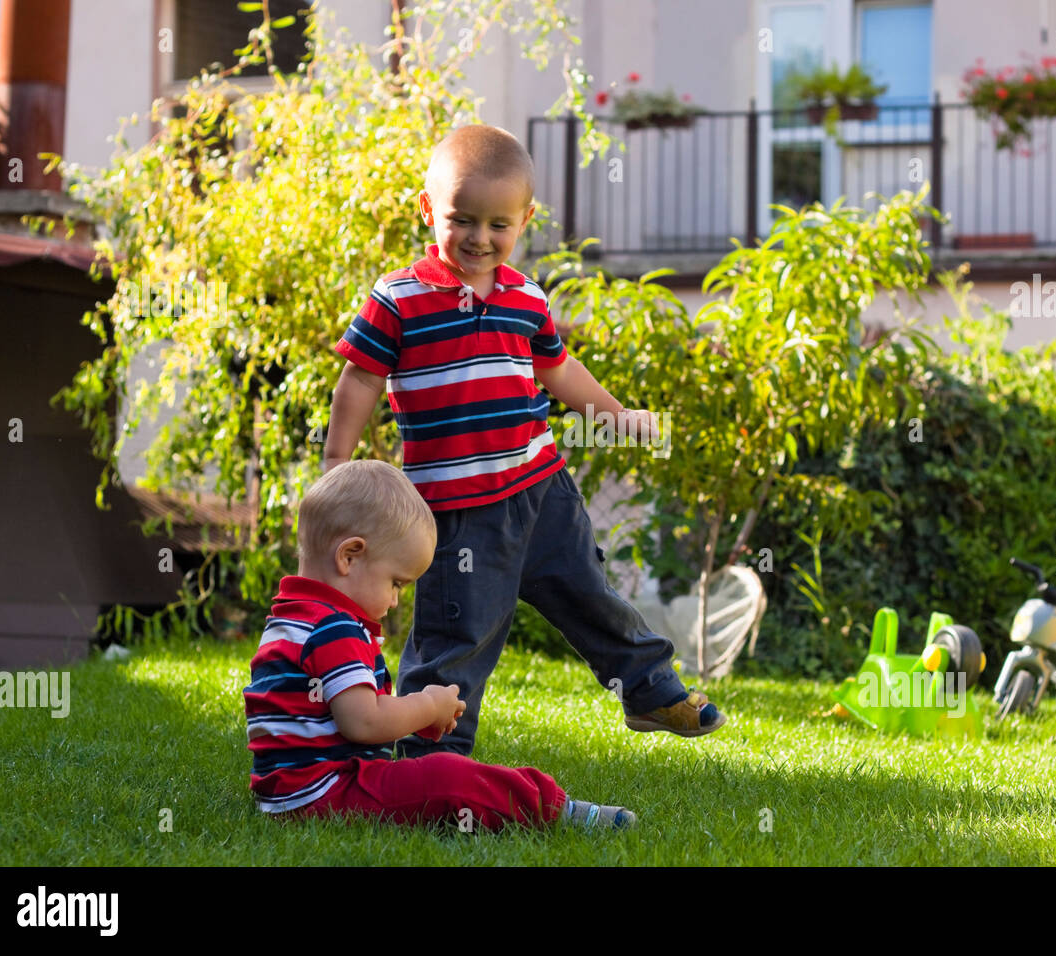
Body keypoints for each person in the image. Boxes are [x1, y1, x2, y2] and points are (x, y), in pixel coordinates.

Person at [323, 123, 726, 758]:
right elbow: (361, 377)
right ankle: (433, 761)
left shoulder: (526, 297)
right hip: (456, 512)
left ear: (524, 220)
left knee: (591, 593)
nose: (479, 238)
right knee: (459, 632)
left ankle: (649, 689)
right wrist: (336, 459)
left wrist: (616, 413)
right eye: (462, 220)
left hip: (542, 491)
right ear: (429, 209)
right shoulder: (399, 298)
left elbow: (558, 369)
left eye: (497, 225)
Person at [242, 459, 636, 830]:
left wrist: (418, 719)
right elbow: (363, 721)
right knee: (446, 776)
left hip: (289, 794)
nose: (396, 600)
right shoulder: (333, 628)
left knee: (433, 771)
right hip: (327, 793)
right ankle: (555, 809)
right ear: (350, 556)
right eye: (396, 582)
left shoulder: (293, 619)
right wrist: (428, 704)